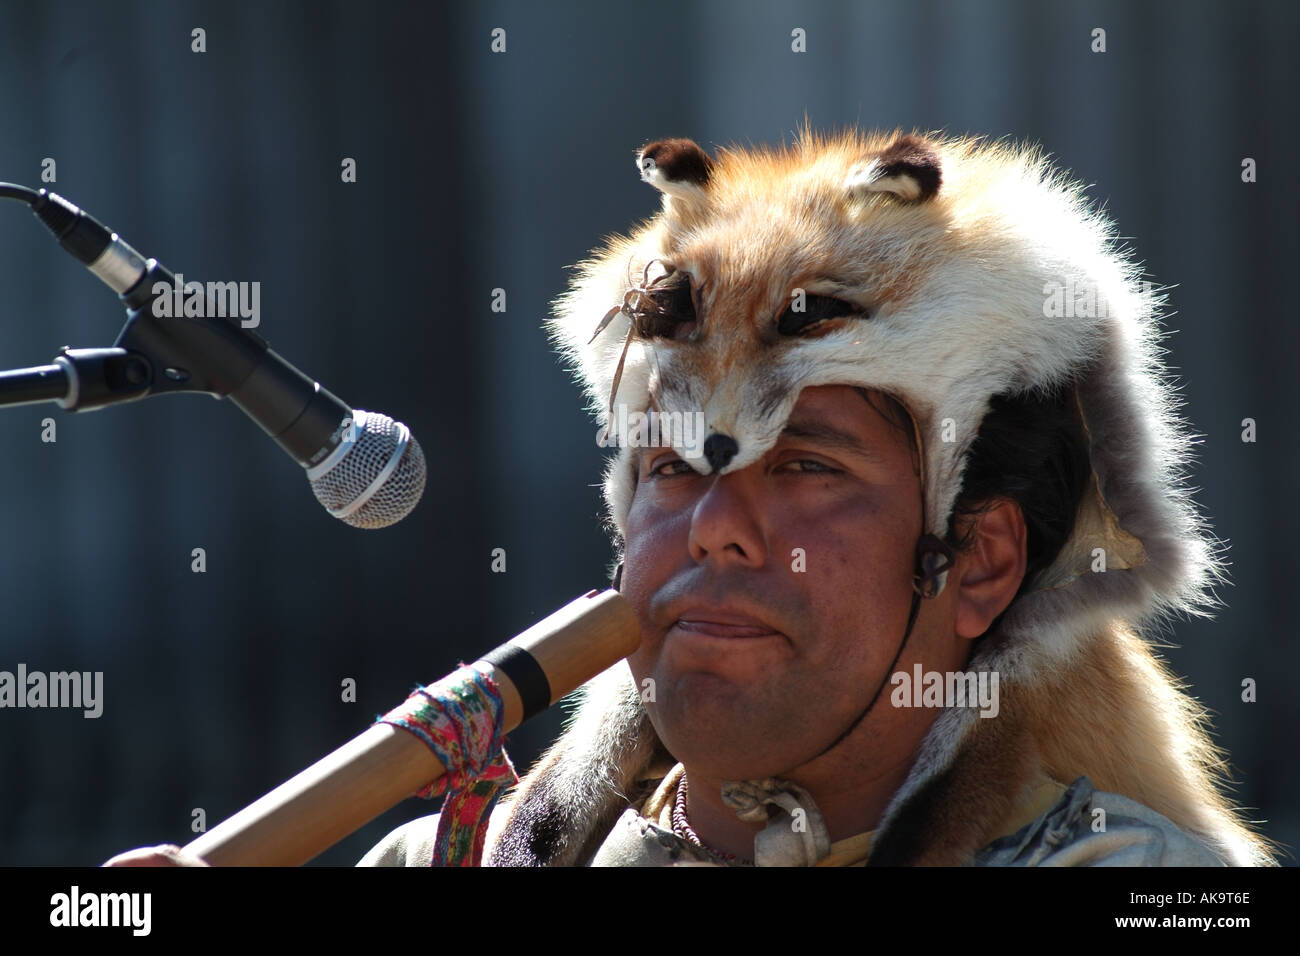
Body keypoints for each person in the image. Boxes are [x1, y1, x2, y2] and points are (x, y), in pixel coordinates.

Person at [108, 127, 1277, 868]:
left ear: (976, 563)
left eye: (808, 466)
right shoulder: (451, 856)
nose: (713, 521)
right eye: (672, 463)